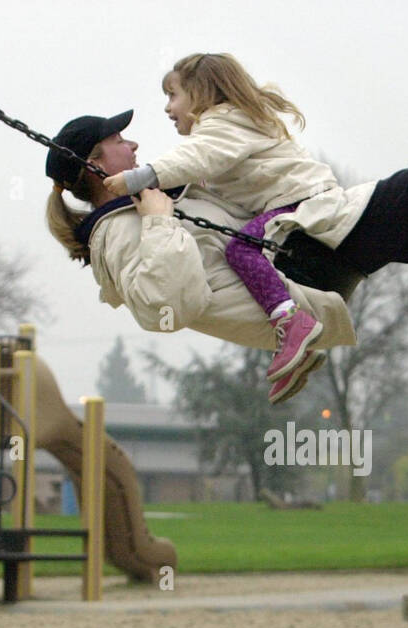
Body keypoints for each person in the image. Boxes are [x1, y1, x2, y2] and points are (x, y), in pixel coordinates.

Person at [44, 107, 408, 404]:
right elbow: (167, 306)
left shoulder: (148, 204)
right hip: (295, 267)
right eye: (118, 140)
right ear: (95, 163)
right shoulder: (119, 232)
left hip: (295, 263)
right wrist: (157, 218)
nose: (134, 142)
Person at [101, 53, 334, 389]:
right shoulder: (228, 126)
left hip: (299, 199)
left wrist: (140, 177)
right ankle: (299, 351)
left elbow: (196, 157)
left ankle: (291, 322)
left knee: (242, 250)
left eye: (173, 95)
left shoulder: (223, 123)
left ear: (199, 93)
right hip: (292, 198)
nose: (167, 108)